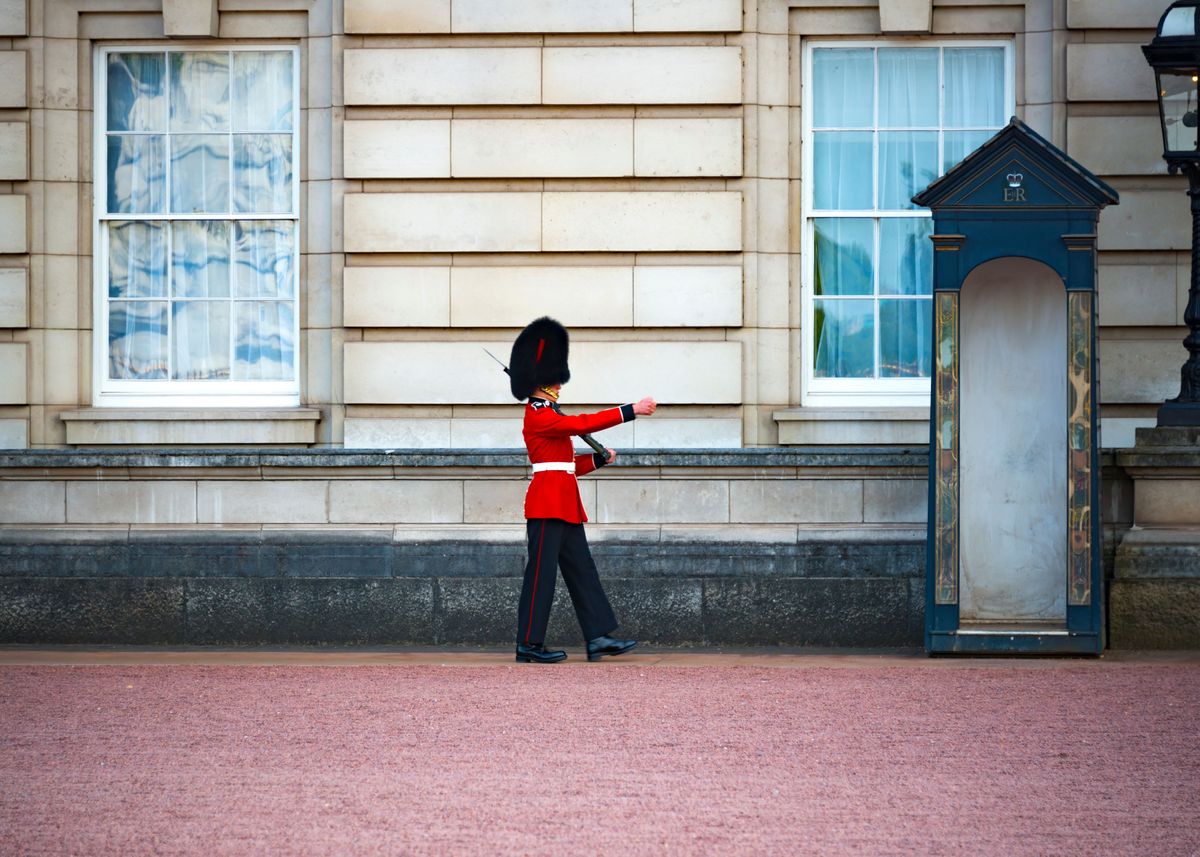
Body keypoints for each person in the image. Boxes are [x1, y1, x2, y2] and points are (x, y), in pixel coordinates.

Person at [507, 316, 657, 664]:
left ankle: (598, 636)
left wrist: (599, 460)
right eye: (555, 381)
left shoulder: (549, 413)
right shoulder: (539, 415)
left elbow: (567, 466)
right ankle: (528, 643)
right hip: (547, 504)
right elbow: (582, 423)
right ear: (542, 382)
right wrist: (630, 410)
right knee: (541, 576)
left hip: (564, 503)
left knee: (582, 570)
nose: (559, 386)